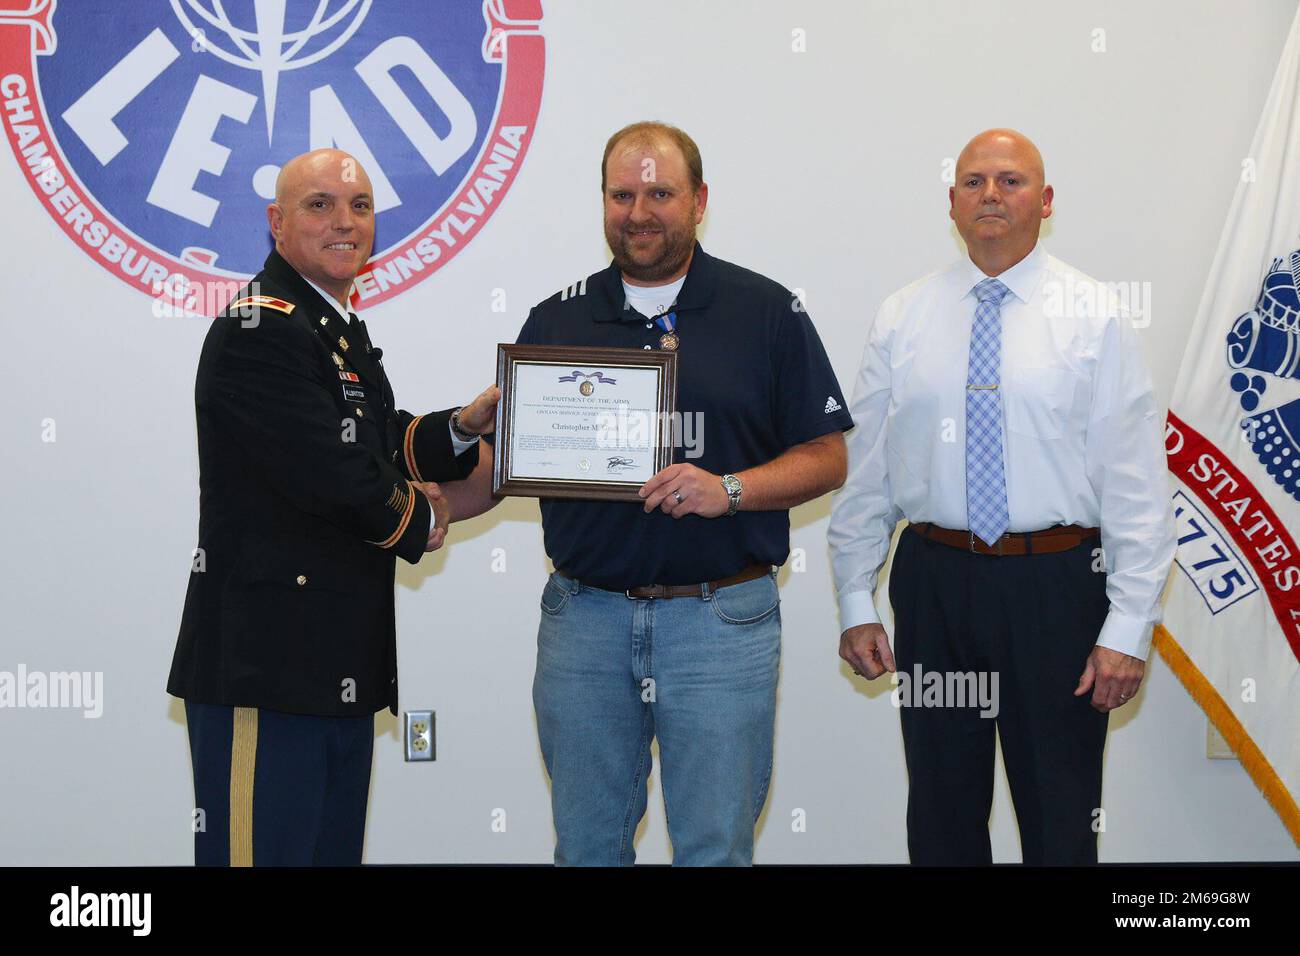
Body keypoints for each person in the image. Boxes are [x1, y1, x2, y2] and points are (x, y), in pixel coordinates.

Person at [439, 121, 852, 865]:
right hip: (585, 621)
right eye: (622, 194)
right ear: (602, 201)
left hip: (721, 621)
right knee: (588, 849)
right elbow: (505, 468)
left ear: (699, 200)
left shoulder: (767, 311)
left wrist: (729, 489)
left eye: (660, 193)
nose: (639, 212)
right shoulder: (557, 317)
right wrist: (423, 510)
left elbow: (826, 458)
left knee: (715, 850)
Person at [828, 129, 1176, 865]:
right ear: (950, 203)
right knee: (943, 814)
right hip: (936, 584)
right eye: (974, 181)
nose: (991, 194)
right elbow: (867, 474)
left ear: (1045, 202)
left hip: (1057, 590)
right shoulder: (904, 315)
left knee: (1059, 814)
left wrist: (1129, 626)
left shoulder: (1095, 315)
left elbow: (1137, 486)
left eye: (1011, 181)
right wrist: (856, 600)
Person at [167, 148, 499, 866]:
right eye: (320, 205)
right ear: (276, 223)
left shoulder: (330, 328)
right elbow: (337, 475)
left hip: (334, 671)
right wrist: (427, 515)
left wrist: (463, 429)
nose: (345, 222)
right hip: (269, 671)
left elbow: (379, 441)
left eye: (360, 206)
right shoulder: (262, 330)